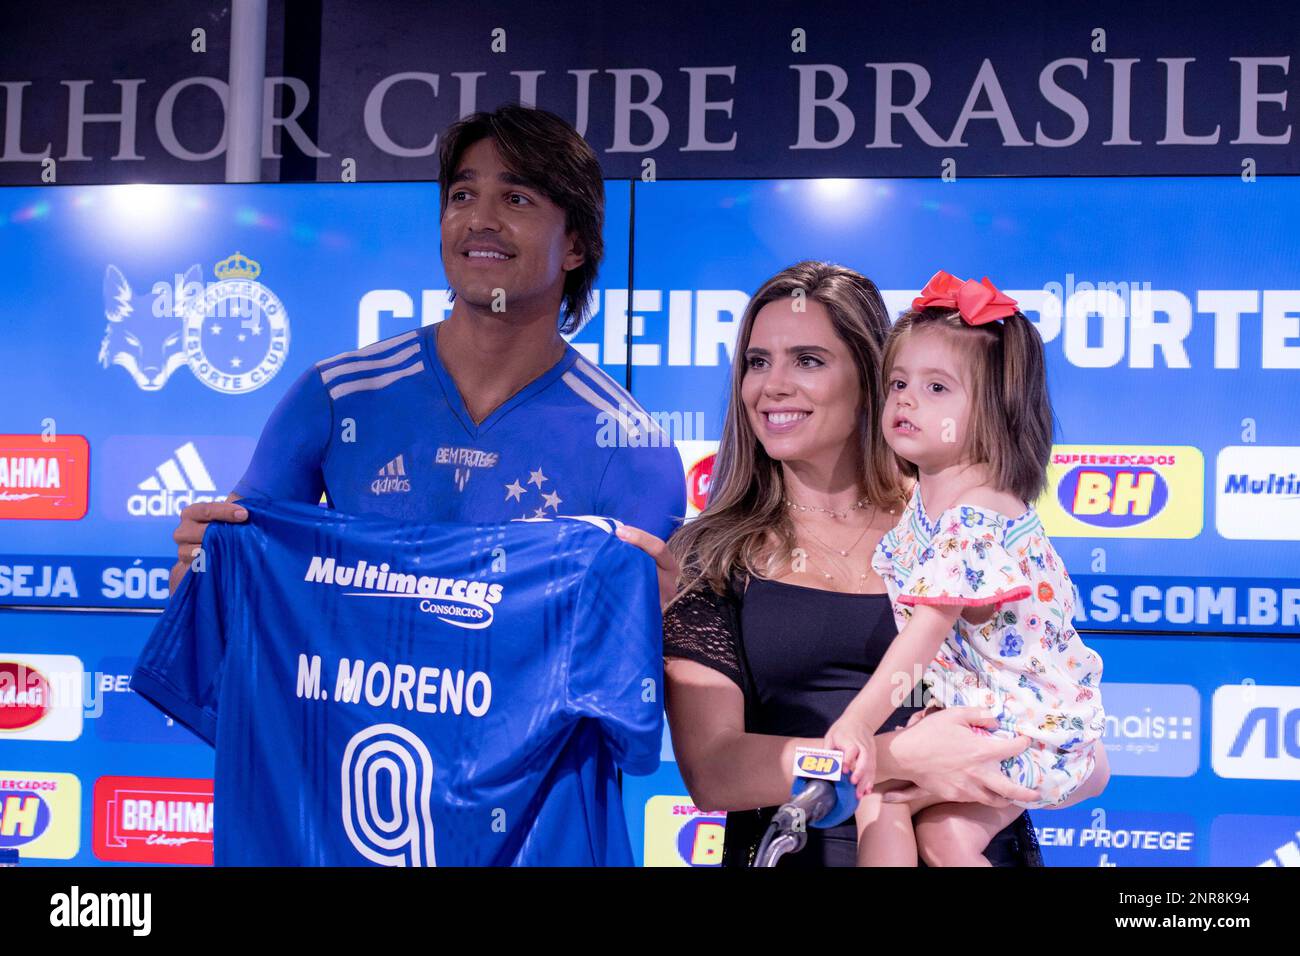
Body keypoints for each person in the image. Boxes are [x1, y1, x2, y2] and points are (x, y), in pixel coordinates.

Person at [168, 105, 684, 593]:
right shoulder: (338, 395)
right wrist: (203, 563)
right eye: (462, 196)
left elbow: (629, 659)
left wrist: (655, 615)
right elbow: (213, 591)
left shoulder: (632, 449)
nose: (480, 219)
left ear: (575, 245)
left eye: (516, 198)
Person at [644, 261, 1045, 867]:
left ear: (872, 379)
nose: (771, 385)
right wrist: (894, 757)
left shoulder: (959, 525)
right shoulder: (710, 554)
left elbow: (1046, 689)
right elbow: (714, 769)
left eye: (807, 360)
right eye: (757, 361)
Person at [824, 270, 1108, 866]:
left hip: (1029, 734)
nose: (905, 399)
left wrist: (853, 728)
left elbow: (919, 646)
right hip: (1031, 728)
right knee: (938, 833)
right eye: (898, 382)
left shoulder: (974, 520)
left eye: (936, 388)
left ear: (995, 411)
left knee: (882, 794)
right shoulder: (932, 510)